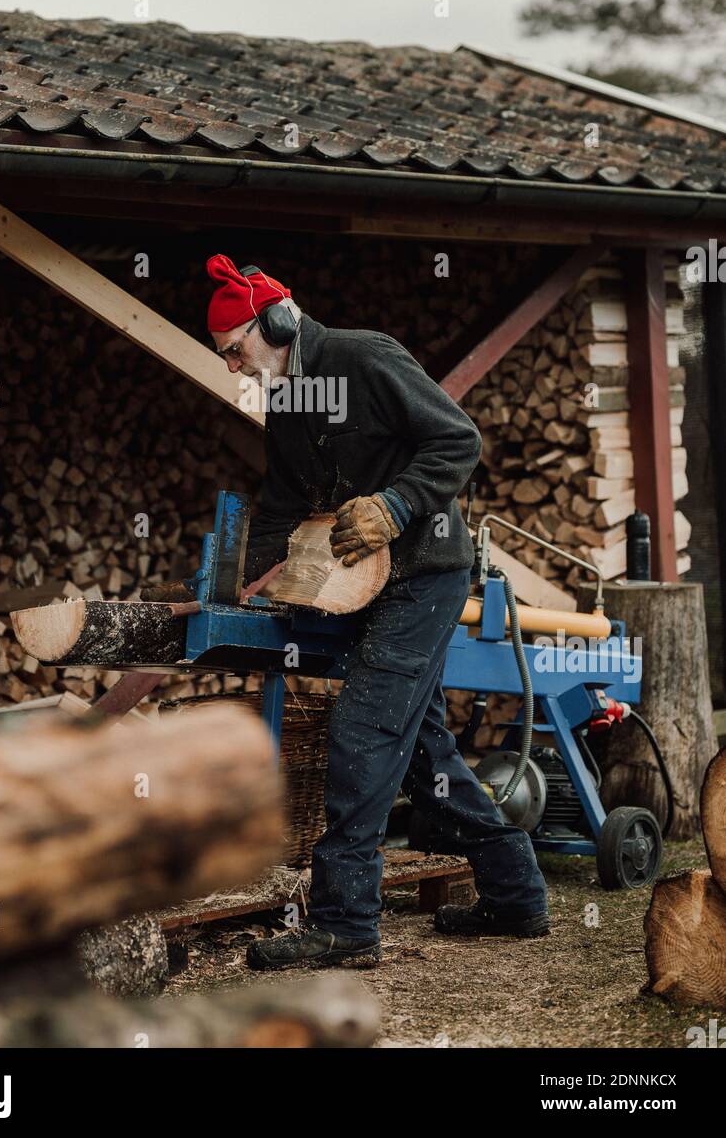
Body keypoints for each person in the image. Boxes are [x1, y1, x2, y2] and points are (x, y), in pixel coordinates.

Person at [206, 254, 549, 969]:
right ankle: (517, 895)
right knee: (424, 752)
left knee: (362, 731)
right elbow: (281, 502)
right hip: (364, 584)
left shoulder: (365, 358)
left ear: (276, 322)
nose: (235, 367)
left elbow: (459, 439)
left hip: (426, 571)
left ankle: (345, 925)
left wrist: (395, 506)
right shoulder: (288, 403)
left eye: (237, 349)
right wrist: (255, 583)